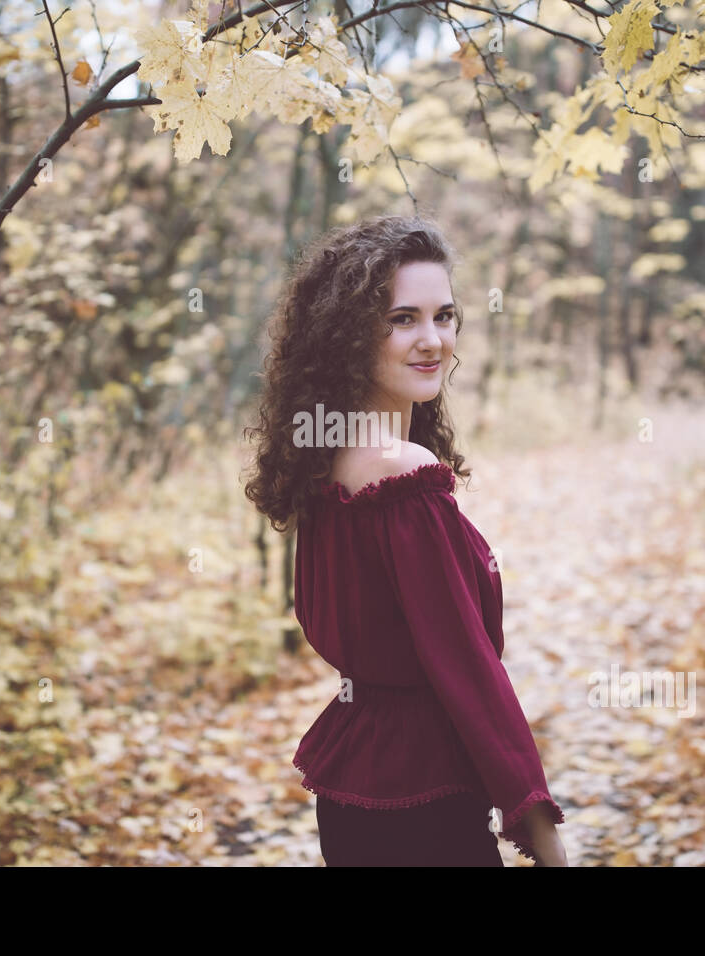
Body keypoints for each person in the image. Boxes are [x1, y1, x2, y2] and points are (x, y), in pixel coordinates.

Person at [243, 214, 567, 866]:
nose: (432, 340)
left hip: (353, 796)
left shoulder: (325, 460)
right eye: (402, 320)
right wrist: (542, 832)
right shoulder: (403, 477)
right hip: (426, 808)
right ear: (349, 332)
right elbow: (472, 674)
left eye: (444, 317)